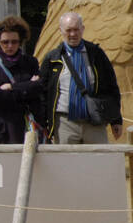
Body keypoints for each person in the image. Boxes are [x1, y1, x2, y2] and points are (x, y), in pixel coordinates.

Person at [39, 11, 123, 143]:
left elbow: (111, 87)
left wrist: (116, 120)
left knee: (99, 160)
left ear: (82, 29)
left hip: (94, 120)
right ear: (60, 30)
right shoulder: (52, 58)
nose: (73, 34)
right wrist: (44, 124)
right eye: (68, 30)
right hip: (64, 122)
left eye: (76, 29)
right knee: (66, 163)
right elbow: (43, 93)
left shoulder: (96, 54)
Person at [0, 17, 43, 144]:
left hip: (26, 128)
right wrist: (27, 87)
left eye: (14, 42)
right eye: (5, 42)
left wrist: (11, 87)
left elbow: (39, 88)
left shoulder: (30, 62)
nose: (10, 46)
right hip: (0, 130)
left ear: (20, 42)